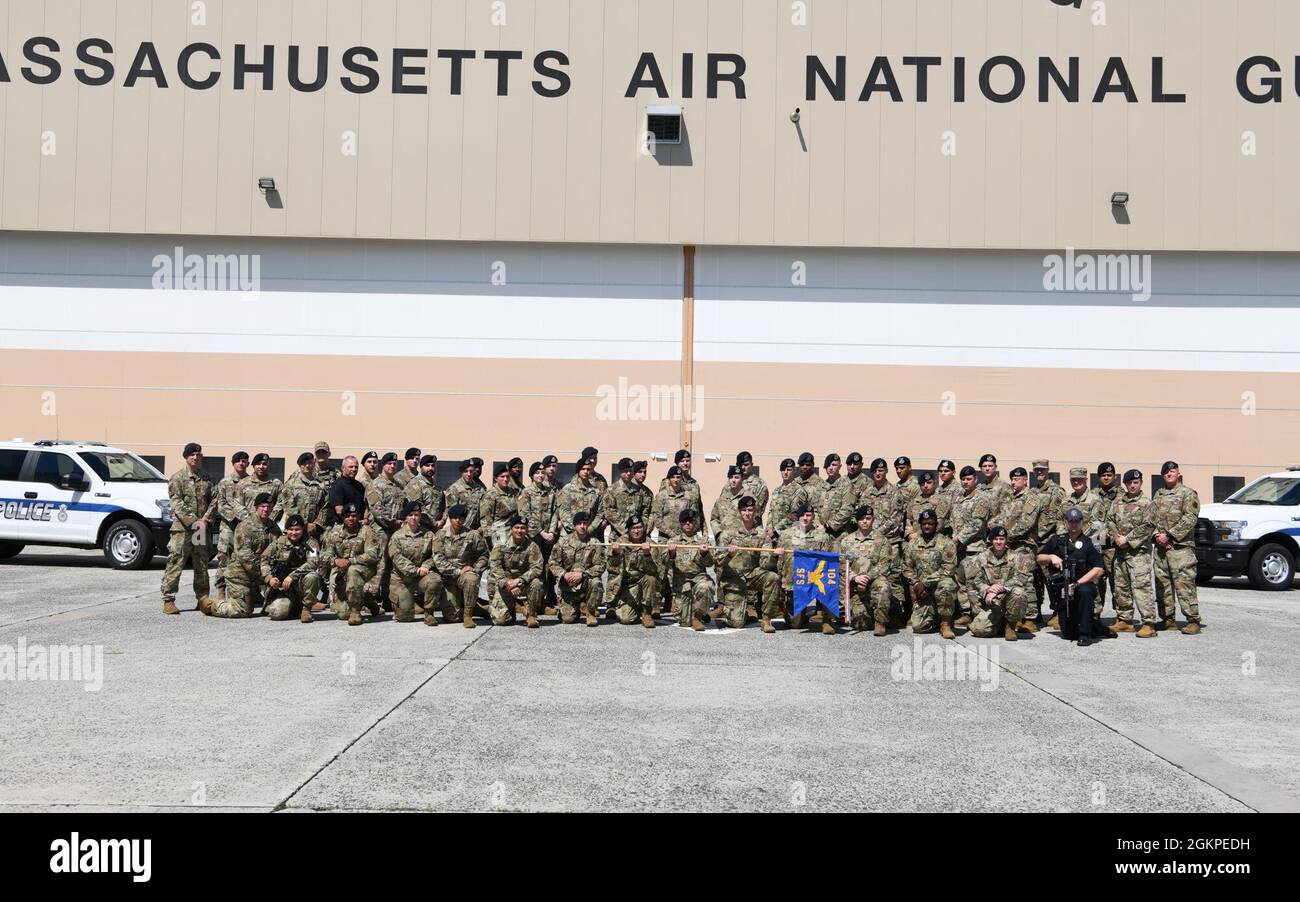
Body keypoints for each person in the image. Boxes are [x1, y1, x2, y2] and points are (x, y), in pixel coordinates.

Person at [161, 442, 217, 616]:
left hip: (201, 528)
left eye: (198, 454)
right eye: (192, 454)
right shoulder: (177, 478)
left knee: (201, 562)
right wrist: (194, 520)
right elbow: (176, 502)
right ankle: (169, 599)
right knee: (176, 561)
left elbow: (214, 499)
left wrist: (206, 519)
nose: (195, 457)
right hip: (182, 529)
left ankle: (202, 598)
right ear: (186, 457)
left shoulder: (207, 478)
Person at [204, 492, 279, 619]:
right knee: (243, 610)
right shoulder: (245, 526)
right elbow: (246, 558)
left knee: (277, 607)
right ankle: (211, 605)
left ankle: (265, 600)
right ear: (256, 507)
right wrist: (267, 577)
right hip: (240, 574)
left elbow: (278, 551)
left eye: (269, 506)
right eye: (263, 506)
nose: (266, 509)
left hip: (260, 573)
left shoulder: (274, 528)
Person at [1038, 508, 1107, 645]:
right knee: (1068, 634)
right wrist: (1051, 557)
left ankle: (1086, 634)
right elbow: (1039, 558)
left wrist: (1078, 583)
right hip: (1064, 589)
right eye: (1071, 521)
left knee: (1085, 591)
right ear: (1065, 522)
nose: (1074, 524)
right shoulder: (1057, 540)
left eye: (1077, 521)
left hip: (1083, 585)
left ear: (1082, 522)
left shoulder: (1089, 542)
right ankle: (1097, 628)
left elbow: (1098, 568)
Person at [1150, 461, 1203, 634]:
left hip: (1180, 548)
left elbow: (1190, 518)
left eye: (1172, 471)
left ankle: (1193, 620)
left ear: (1178, 473)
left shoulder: (1188, 493)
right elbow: (1152, 518)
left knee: (1184, 584)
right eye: (1166, 472)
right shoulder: (1159, 494)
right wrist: (1157, 535)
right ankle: (1168, 619)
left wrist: (1170, 535)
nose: (1169, 474)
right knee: (1162, 585)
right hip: (1160, 548)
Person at [1106, 469, 1159, 637]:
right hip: (1120, 552)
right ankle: (1124, 620)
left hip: (1138, 553)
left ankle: (1149, 623)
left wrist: (1127, 539)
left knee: (1141, 587)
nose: (1132, 486)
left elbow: (1148, 525)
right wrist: (1116, 537)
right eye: (1129, 483)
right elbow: (1109, 520)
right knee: (1121, 587)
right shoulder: (1117, 502)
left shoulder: (1147, 503)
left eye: (1135, 483)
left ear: (1140, 483)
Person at [717, 496, 781, 632]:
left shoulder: (761, 535)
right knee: (736, 623)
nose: (747, 513)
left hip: (752, 574)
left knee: (773, 578)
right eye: (744, 510)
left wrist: (773, 555)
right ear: (739, 512)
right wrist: (729, 555)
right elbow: (717, 561)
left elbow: (765, 564)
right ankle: (741, 611)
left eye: (750, 510)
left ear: (755, 512)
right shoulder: (728, 533)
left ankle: (766, 619)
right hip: (733, 579)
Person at [319, 502, 383, 625]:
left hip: (365, 571)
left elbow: (372, 555)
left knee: (353, 570)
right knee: (343, 614)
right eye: (347, 516)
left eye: (354, 515)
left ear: (358, 517)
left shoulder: (367, 531)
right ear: (343, 517)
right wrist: (335, 561)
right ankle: (367, 600)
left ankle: (355, 612)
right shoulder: (334, 533)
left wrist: (350, 561)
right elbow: (323, 556)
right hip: (342, 575)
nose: (351, 519)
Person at [836, 505, 896, 635]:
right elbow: (842, 564)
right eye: (862, 518)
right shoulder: (847, 541)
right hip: (854, 586)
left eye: (868, 518)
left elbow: (885, 564)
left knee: (884, 585)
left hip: (874, 582)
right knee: (861, 624)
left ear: (873, 520)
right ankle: (869, 615)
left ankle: (880, 623)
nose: (865, 521)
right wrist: (855, 578)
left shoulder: (882, 541)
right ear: (857, 520)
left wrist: (867, 577)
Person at [968, 526, 1035, 641]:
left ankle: (1010, 626)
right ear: (991, 540)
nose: (999, 542)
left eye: (1002, 539)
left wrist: (1000, 589)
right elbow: (976, 580)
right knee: (979, 630)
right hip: (991, 602)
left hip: (1008, 599)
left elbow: (1021, 578)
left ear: (1006, 540)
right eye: (996, 539)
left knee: (1019, 593)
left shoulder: (1016, 557)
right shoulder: (981, 557)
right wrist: (988, 589)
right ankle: (1000, 624)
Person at [900, 509, 959, 639]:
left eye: (930, 523)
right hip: (921, 591)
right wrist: (916, 583)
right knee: (918, 627)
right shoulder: (912, 544)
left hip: (939, 586)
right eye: (924, 523)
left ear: (936, 525)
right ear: (920, 525)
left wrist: (925, 582)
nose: (927, 526)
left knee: (947, 584)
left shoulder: (946, 543)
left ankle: (945, 623)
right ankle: (934, 615)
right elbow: (906, 567)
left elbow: (948, 568)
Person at [778, 503, 835, 633]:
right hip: (795, 583)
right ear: (797, 517)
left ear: (813, 517)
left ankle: (826, 620)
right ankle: (801, 613)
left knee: (831, 581)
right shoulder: (786, 535)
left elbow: (830, 562)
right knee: (795, 624)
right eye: (802, 515)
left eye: (808, 515)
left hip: (816, 580)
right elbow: (780, 562)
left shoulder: (822, 536)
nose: (805, 518)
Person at [431, 504, 490, 628]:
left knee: (471, 579)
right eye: (455, 518)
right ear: (450, 519)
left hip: (466, 574)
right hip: (448, 577)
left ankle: (468, 615)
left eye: (461, 518)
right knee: (452, 617)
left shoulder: (472, 535)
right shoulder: (440, 535)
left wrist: (475, 569)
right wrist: (458, 571)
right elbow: (438, 560)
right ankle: (476, 608)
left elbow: (484, 555)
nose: (458, 521)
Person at [388, 501, 443, 625]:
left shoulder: (428, 534)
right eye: (411, 515)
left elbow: (435, 555)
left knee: (435, 580)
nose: (414, 518)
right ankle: (407, 605)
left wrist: (426, 565)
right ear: (406, 517)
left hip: (420, 577)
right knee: (405, 617)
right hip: (402, 579)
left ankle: (429, 614)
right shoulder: (396, 536)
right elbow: (397, 558)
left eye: (417, 515)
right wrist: (415, 570)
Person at [260, 514, 321, 623]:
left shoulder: (311, 543)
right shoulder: (279, 543)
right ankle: (293, 607)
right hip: (283, 588)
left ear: (303, 529)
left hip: (300, 584)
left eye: (297, 529)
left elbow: (313, 562)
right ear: (287, 530)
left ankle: (306, 609)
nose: (294, 533)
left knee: (313, 576)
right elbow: (264, 560)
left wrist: (292, 576)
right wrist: (270, 579)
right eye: (291, 529)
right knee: (278, 614)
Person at [549, 511, 606, 626]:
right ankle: (578, 606)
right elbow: (553, 563)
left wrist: (583, 574)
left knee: (596, 582)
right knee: (568, 619)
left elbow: (601, 565)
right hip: (568, 586)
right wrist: (564, 574)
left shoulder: (595, 543)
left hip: (586, 584)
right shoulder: (563, 542)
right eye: (579, 523)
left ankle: (590, 612)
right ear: (575, 525)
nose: (582, 526)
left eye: (585, 523)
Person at [488, 514, 545, 627]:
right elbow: (495, 566)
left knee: (537, 583)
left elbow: (537, 567)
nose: (520, 531)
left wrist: (519, 581)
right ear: (511, 529)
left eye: (523, 528)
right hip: (505, 584)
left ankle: (531, 615)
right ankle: (513, 609)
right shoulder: (501, 544)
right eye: (517, 527)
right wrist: (508, 582)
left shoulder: (532, 546)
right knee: (500, 621)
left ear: (527, 530)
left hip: (523, 584)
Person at [607, 515, 663, 628]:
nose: (636, 531)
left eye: (639, 527)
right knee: (627, 619)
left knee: (651, 579)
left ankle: (647, 612)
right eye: (633, 528)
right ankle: (635, 608)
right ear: (628, 530)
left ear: (644, 528)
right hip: (627, 585)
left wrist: (647, 555)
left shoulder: (651, 544)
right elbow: (611, 567)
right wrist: (616, 553)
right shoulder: (620, 542)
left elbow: (656, 570)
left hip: (644, 583)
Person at [365, 453, 405, 609]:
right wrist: (393, 522)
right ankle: (369, 599)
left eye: (394, 464)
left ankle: (388, 599)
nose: (392, 466)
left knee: (392, 565)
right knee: (379, 564)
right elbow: (376, 509)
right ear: (383, 465)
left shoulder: (398, 484)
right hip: (380, 530)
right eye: (389, 463)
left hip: (396, 531)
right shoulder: (375, 485)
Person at [213, 450, 250, 602]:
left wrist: (247, 520)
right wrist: (237, 517)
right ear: (233, 463)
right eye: (238, 461)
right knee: (224, 558)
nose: (241, 463)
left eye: (244, 461)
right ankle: (221, 591)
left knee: (246, 559)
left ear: (248, 463)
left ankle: (246, 593)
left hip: (247, 528)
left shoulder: (251, 482)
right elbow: (220, 504)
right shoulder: (224, 482)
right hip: (229, 527)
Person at [556, 459, 602, 538]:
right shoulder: (568, 489)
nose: (586, 472)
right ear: (578, 470)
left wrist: (591, 528)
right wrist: (577, 530)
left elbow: (600, 512)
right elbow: (564, 512)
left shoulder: (596, 491)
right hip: (569, 535)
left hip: (589, 534)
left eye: (588, 469)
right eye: (583, 469)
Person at [480, 462, 521, 546]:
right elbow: (485, 519)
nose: (505, 479)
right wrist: (491, 540)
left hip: (513, 533)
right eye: (502, 477)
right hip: (498, 534)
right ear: (495, 478)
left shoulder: (513, 492)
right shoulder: (490, 495)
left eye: (507, 476)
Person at [766, 458, 807, 539]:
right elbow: (771, 511)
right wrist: (769, 529)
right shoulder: (777, 490)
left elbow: (795, 515)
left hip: (788, 535)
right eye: (783, 470)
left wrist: (776, 530)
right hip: (773, 536)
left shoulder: (799, 491)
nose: (785, 472)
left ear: (794, 471)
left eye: (789, 470)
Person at [404, 455, 446, 533]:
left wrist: (442, 521)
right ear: (421, 467)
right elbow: (416, 508)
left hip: (436, 529)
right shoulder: (414, 484)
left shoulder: (437, 486)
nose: (430, 468)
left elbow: (444, 505)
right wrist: (434, 523)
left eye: (433, 466)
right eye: (427, 465)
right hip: (420, 529)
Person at [651, 465, 695, 539]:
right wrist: (671, 534)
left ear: (682, 479)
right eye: (673, 477)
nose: (675, 480)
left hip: (683, 538)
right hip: (665, 537)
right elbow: (656, 517)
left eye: (678, 477)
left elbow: (693, 517)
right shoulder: (662, 495)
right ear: (669, 479)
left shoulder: (688, 496)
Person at [241, 453, 284, 523]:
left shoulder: (276, 483)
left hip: (269, 526)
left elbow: (281, 503)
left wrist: (269, 518)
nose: (261, 466)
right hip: (247, 524)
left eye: (264, 464)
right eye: (258, 464)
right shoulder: (243, 483)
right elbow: (237, 504)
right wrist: (249, 519)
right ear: (253, 466)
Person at [709, 465, 747, 541]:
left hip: (742, 541)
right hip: (724, 541)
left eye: (736, 477)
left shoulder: (748, 498)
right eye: (731, 477)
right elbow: (714, 519)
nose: (733, 480)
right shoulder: (721, 499)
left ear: (742, 479)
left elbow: (755, 521)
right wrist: (719, 534)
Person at [445, 459, 486, 529]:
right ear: (462, 472)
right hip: (462, 530)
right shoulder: (454, 489)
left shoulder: (480, 488)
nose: (469, 474)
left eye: (471, 471)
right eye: (466, 471)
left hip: (477, 530)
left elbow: (484, 510)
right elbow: (452, 513)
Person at [330, 455, 367, 522]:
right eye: (351, 467)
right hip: (343, 526)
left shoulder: (359, 486)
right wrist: (354, 520)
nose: (354, 469)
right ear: (343, 468)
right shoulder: (338, 485)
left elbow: (364, 507)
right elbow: (339, 510)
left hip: (358, 525)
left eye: (356, 467)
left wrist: (365, 519)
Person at [737, 452, 769, 524]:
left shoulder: (760, 484)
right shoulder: (732, 483)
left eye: (746, 465)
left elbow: (758, 510)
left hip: (752, 528)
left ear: (752, 464)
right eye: (740, 465)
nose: (743, 467)